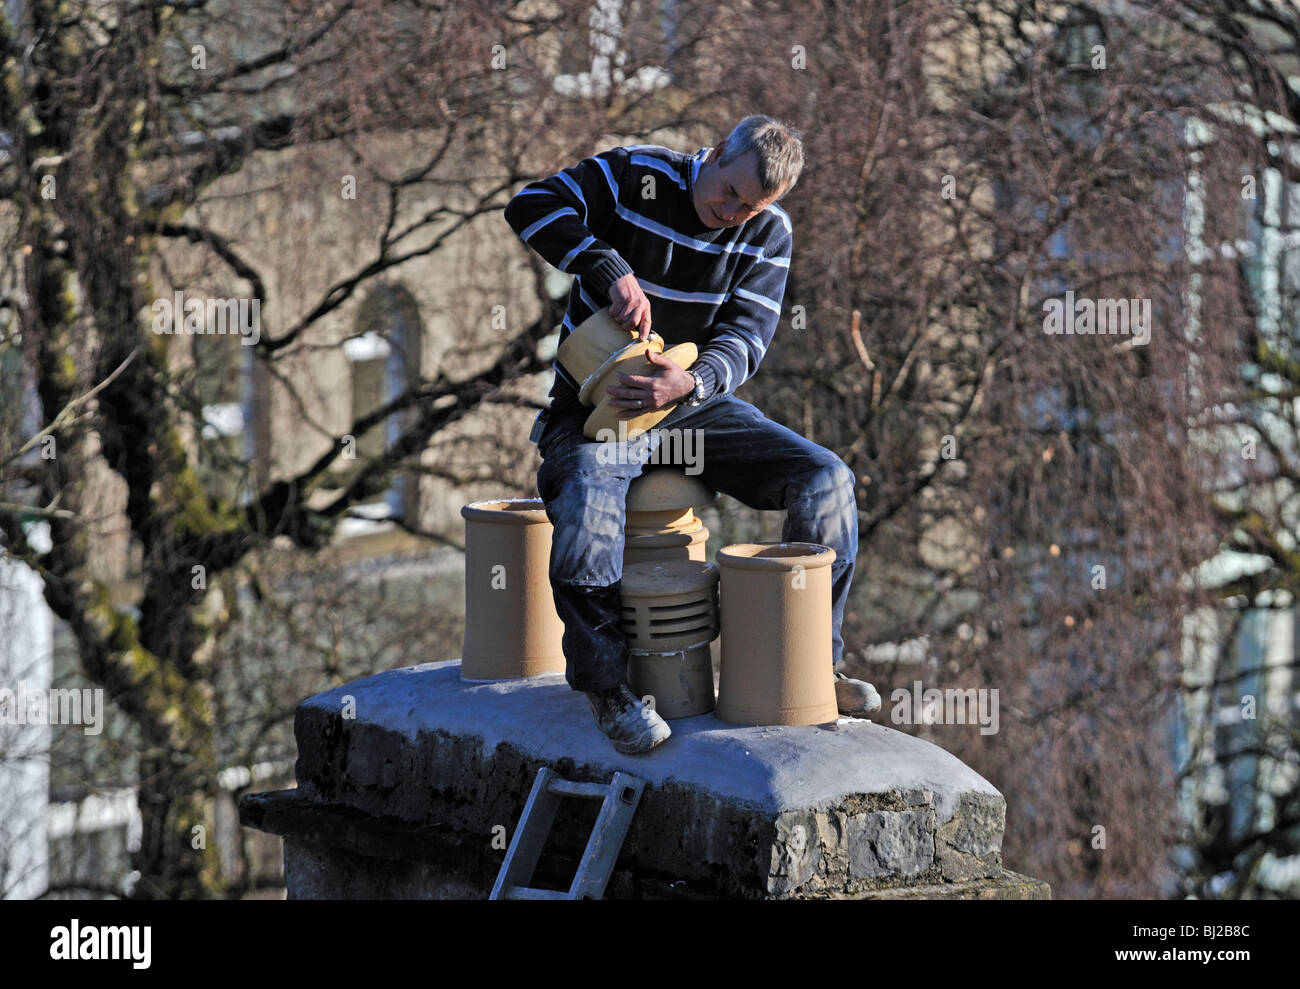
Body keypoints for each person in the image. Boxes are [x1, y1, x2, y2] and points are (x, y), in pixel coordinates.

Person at [503, 115, 879, 754]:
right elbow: (530, 205)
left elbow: (747, 337)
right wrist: (603, 264)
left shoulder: (767, 231)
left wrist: (691, 381)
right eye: (729, 192)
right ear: (717, 153)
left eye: (752, 205)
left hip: (692, 409)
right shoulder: (636, 175)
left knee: (827, 480)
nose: (732, 213)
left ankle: (817, 663)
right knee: (591, 488)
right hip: (596, 411)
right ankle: (608, 692)